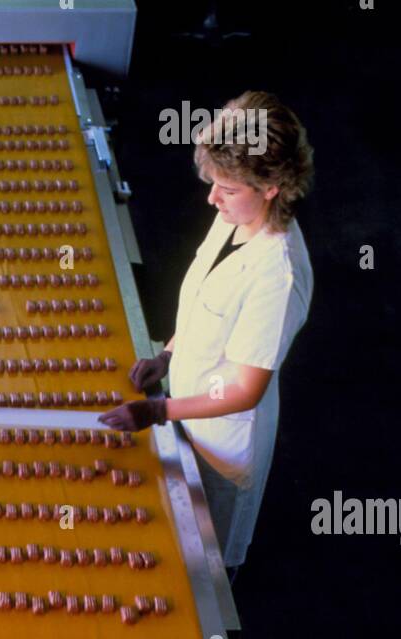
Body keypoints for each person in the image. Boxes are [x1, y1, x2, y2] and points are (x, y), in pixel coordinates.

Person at [99, 91, 314, 574]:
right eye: (213, 183)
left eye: (228, 188)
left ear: (273, 186)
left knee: (206, 572)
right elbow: (204, 302)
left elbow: (244, 390)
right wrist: (170, 355)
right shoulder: (234, 216)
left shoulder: (277, 275)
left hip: (220, 448)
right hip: (186, 406)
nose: (212, 198)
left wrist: (157, 409)